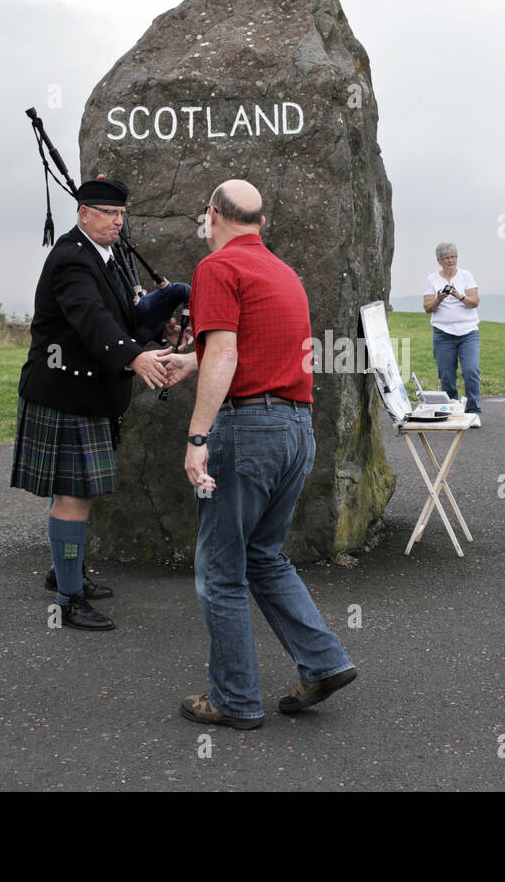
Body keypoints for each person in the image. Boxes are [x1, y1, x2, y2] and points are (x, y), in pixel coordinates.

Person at [171, 178, 357, 730]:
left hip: (246, 434)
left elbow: (226, 354)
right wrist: (190, 362)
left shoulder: (217, 269)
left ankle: (234, 700)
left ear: (213, 214)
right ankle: (323, 661)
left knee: (221, 571)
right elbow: (251, 350)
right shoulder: (282, 272)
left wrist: (198, 436)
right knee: (263, 557)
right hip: (297, 430)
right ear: (261, 222)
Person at [11, 177, 184, 630]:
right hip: (64, 394)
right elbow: (92, 319)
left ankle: (63, 571)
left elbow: (122, 317)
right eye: (108, 213)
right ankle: (67, 600)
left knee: (75, 495)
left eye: (122, 214)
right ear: (83, 213)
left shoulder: (107, 256)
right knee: (74, 496)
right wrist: (134, 356)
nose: (117, 222)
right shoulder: (71, 258)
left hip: (87, 396)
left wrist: (154, 331)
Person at [423, 242, 482, 425]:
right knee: (447, 375)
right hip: (443, 334)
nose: (450, 260)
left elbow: (474, 302)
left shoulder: (466, 276)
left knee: (471, 370)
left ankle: (473, 412)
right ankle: (453, 410)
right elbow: (427, 307)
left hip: (468, 333)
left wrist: (459, 296)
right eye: (446, 258)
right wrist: (439, 298)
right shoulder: (432, 280)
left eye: (453, 257)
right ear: (439, 260)